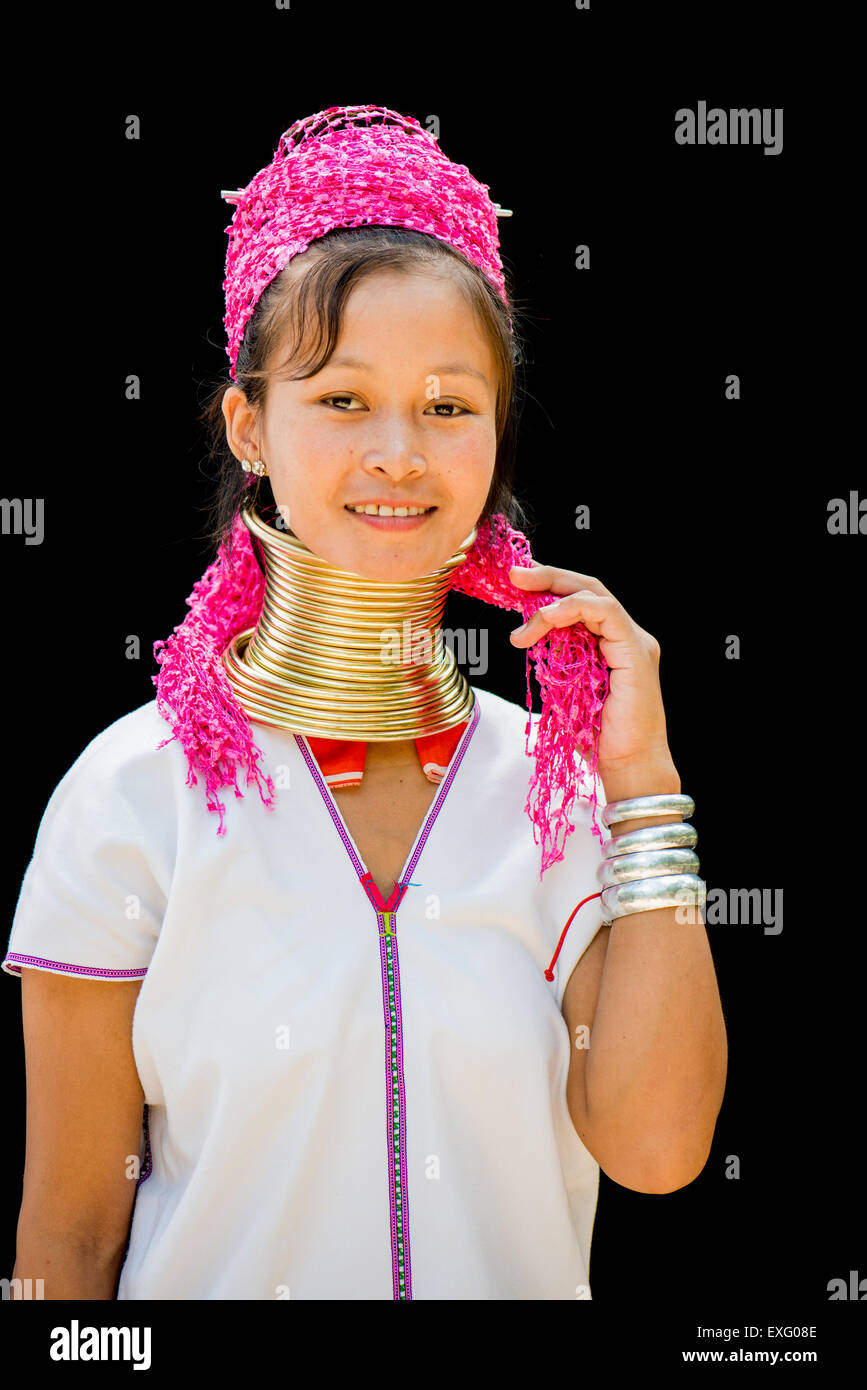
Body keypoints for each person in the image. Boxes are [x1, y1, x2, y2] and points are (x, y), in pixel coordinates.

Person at [4, 105, 726, 1300]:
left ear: (494, 439)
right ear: (251, 426)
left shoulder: (555, 789)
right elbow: (67, 1249)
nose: (398, 450)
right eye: (341, 400)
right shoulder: (134, 800)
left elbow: (655, 1152)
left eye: (449, 405)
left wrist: (643, 786)